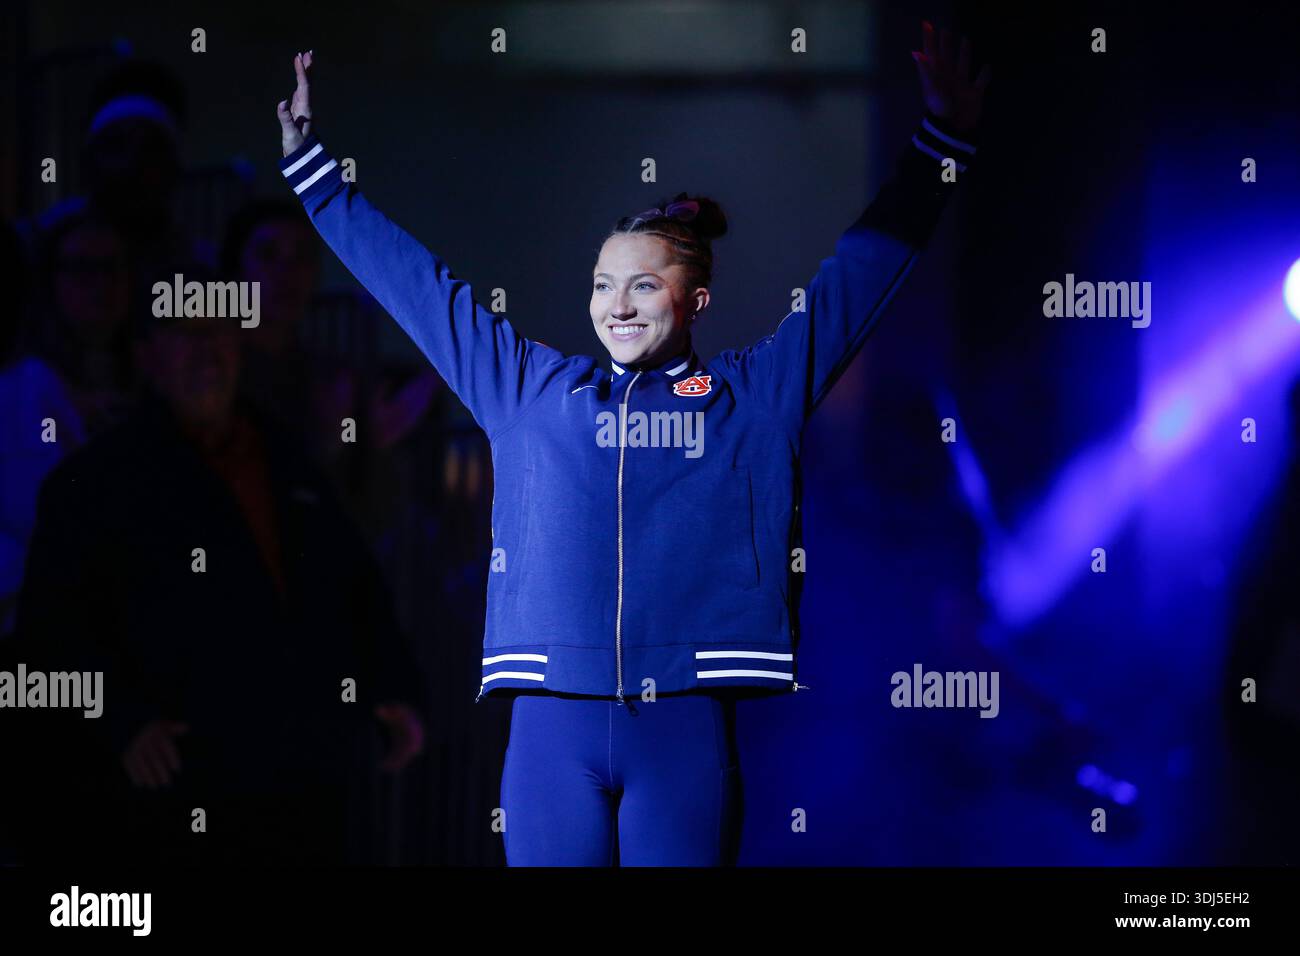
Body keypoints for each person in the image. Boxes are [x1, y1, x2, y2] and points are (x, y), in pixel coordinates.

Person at [272, 22, 990, 866]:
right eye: (603, 284)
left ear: (696, 300)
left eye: (643, 284)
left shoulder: (751, 399)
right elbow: (416, 285)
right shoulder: (529, 391)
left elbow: (856, 278)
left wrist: (941, 141)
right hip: (549, 728)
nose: (617, 304)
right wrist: (312, 171)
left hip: (683, 727)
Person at [13, 263, 426, 865]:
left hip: (304, 785)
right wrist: (121, 721)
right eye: (185, 331)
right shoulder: (95, 482)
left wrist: (395, 688)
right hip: (170, 799)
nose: (205, 348)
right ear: (150, 354)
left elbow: (357, 587)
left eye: (219, 329)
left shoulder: (288, 460)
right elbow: (53, 630)